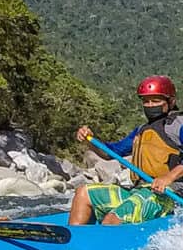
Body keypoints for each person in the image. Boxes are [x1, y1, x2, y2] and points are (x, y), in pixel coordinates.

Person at [68, 75, 183, 225]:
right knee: (83, 193)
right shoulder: (141, 130)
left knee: (113, 219)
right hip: (139, 189)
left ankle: (106, 244)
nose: (149, 105)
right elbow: (111, 153)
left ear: (171, 101)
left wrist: (168, 178)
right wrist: (90, 140)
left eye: (155, 101)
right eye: (146, 101)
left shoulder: (179, 125)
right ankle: (74, 243)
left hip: (169, 194)